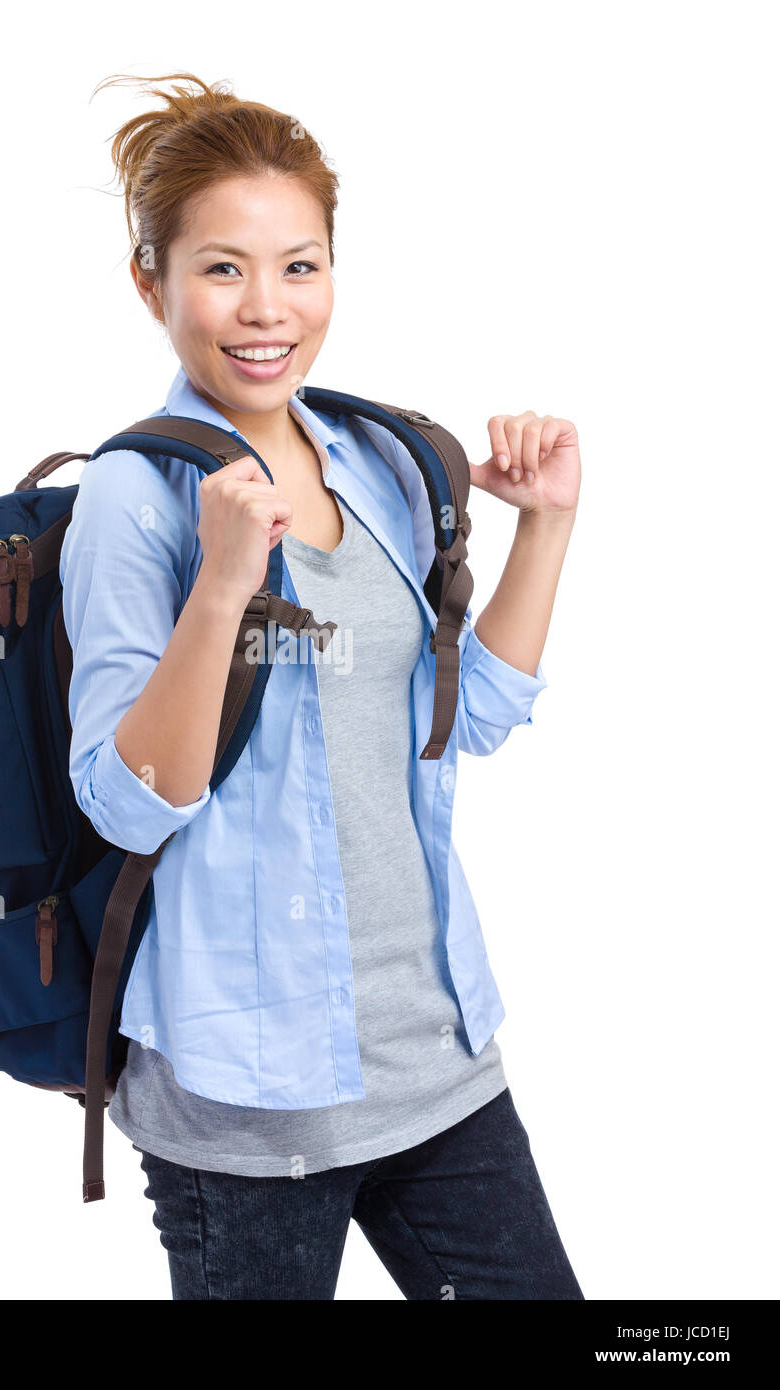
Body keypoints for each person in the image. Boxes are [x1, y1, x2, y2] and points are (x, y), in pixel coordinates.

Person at [59, 70, 584, 1301]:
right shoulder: (136, 498)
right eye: (221, 268)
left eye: (298, 266)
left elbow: (467, 723)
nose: (265, 308)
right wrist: (221, 587)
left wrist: (545, 531)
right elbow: (128, 803)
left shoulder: (377, 460)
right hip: (248, 1106)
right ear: (152, 282)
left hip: (437, 1058)